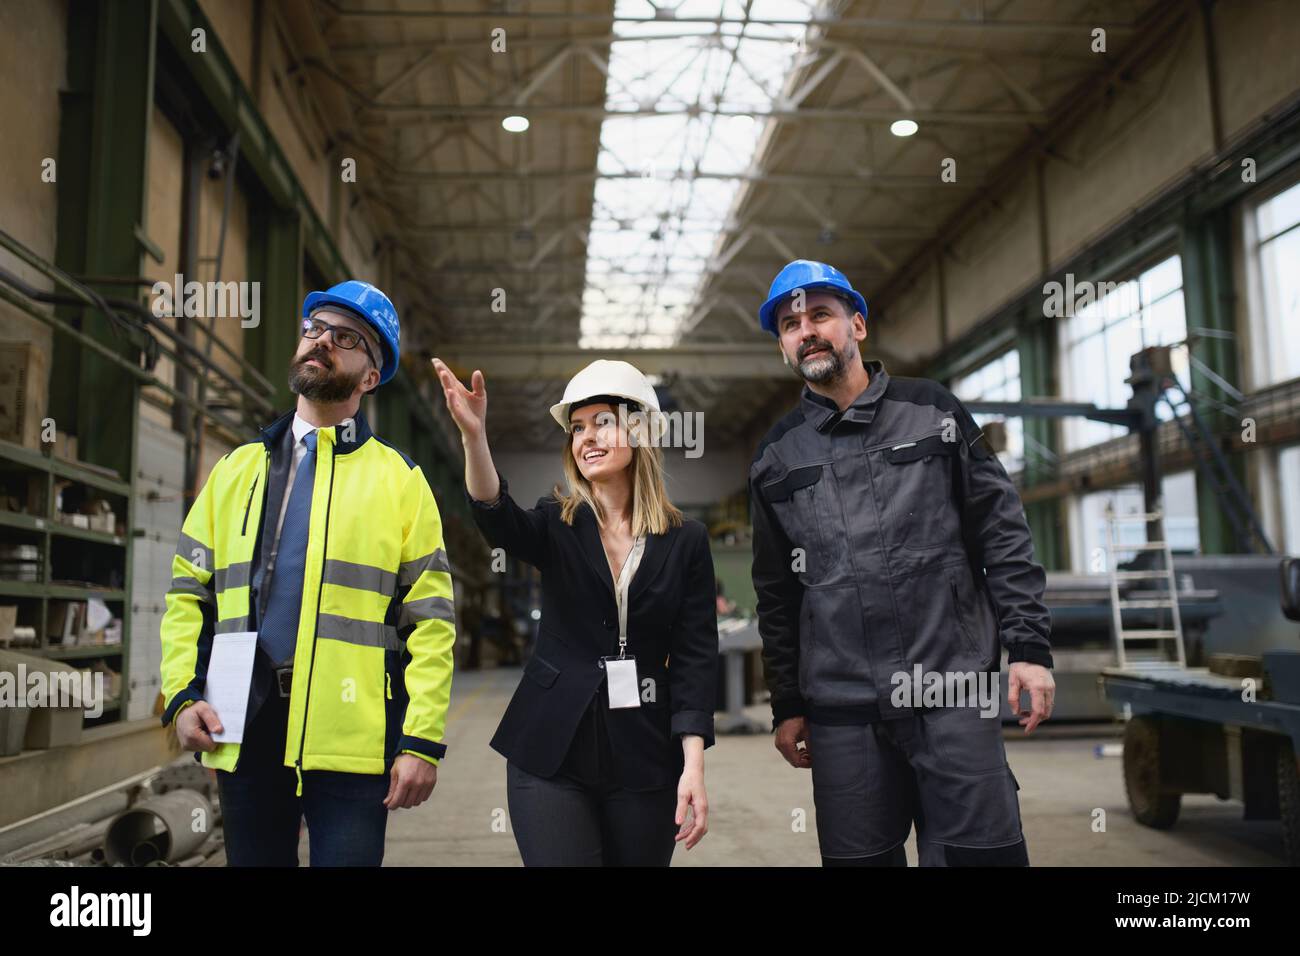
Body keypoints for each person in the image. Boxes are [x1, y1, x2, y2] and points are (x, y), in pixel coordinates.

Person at [749, 259, 1055, 867]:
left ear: (857, 325)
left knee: (983, 856)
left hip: (952, 687)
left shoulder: (934, 412)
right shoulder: (776, 457)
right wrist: (788, 704)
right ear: (783, 345)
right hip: (843, 708)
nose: (805, 330)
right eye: (790, 323)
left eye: (820, 315)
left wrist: (1028, 649)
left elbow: (1003, 534)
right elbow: (777, 593)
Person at [160, 280, 456, 866]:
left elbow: (433, 621)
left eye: (345, 338)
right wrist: (181, 694)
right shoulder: (235, 470)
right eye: (314, 328)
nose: (321, 341)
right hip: (243, 719)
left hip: (349, 735)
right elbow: (187, 591)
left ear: (371, 376)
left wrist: (421, 739)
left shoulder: (400, 482)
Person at [432, 356, 719, 866]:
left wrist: (692, 765)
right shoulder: (556, 522)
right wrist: (475, 438)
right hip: (550, 749)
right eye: (578, 428)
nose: (586, 437)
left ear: (639, 431)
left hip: (645, 754)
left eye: (602, 423)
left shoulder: (687, 541)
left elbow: (696, 658)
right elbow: (499, 520)